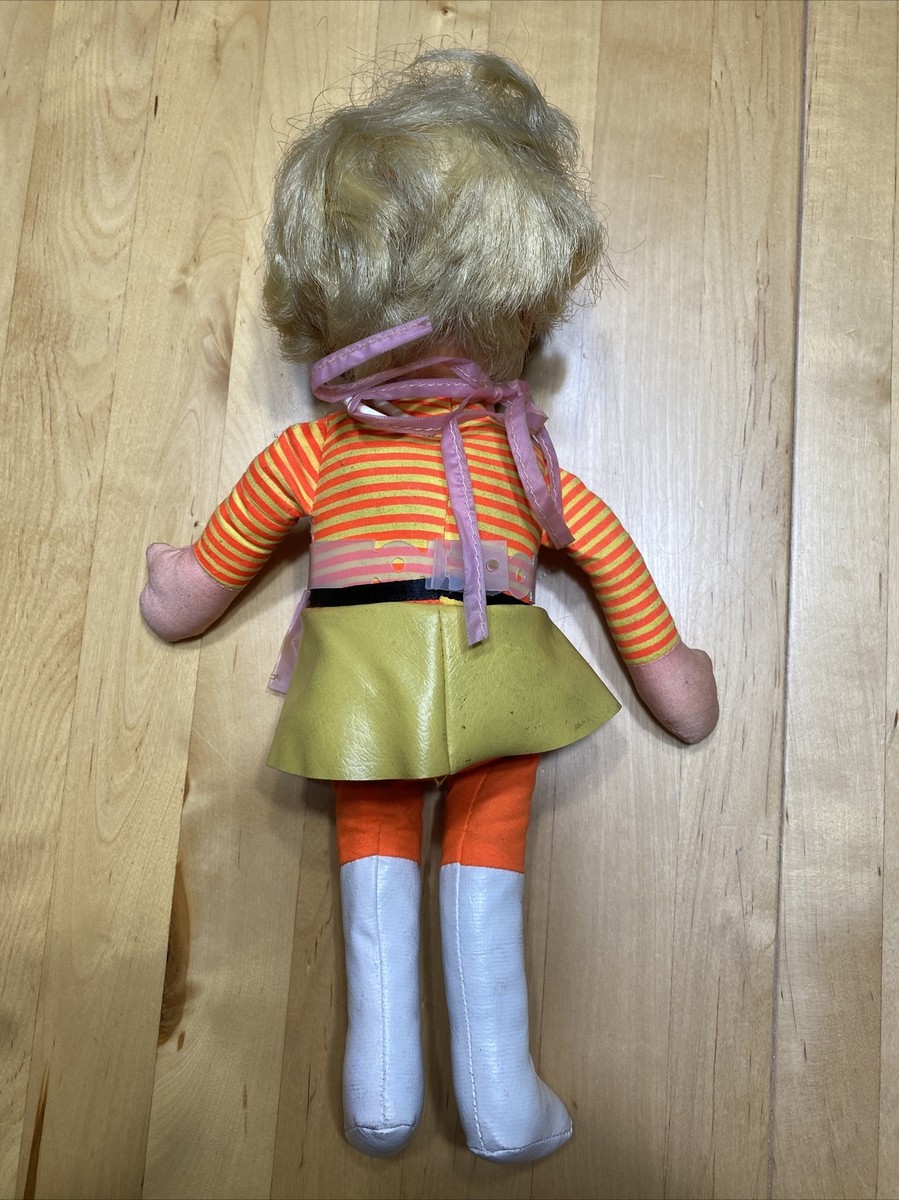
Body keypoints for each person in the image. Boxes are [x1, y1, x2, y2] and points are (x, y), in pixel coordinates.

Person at [140, 49, 718, 1164]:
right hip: (490, 661)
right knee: (483, 855)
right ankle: (497, 1098)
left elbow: (229, 549)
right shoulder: (515, 456)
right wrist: (669, 670)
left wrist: (183, 591)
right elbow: (600, 550)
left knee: (374, 850)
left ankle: (385, 1087)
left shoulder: (321, 452)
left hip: (368, 670)